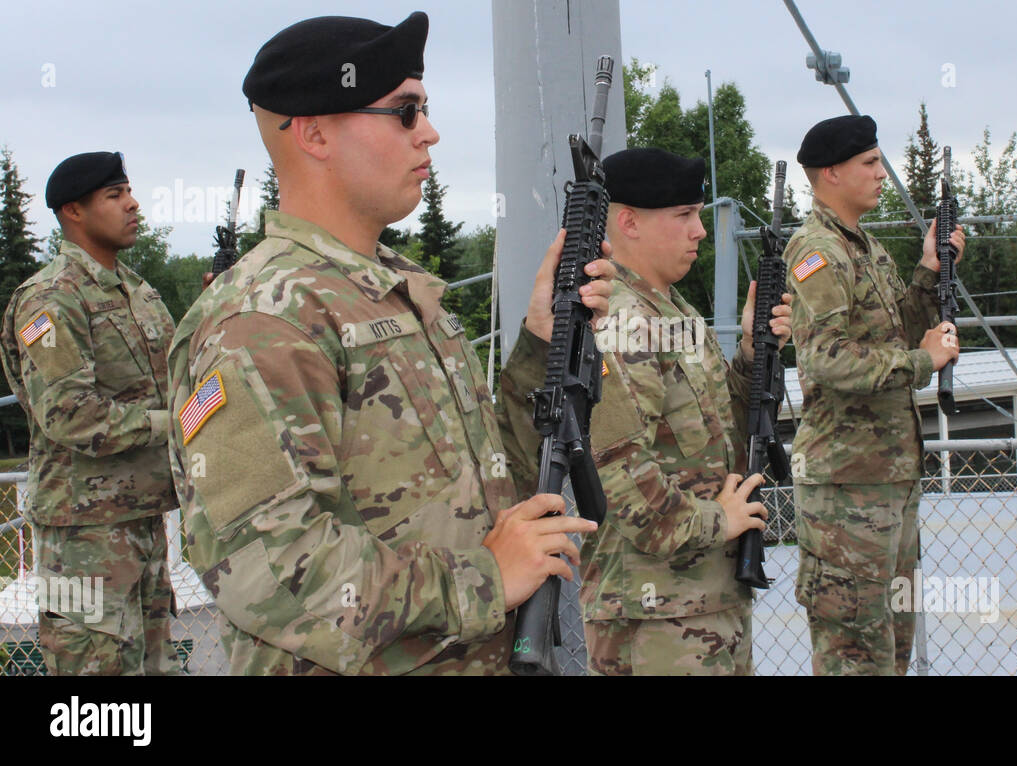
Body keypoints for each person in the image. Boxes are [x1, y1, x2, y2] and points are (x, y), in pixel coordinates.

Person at [167, 11, 612, 675]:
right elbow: (268, 567)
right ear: (315, 134)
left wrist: (541, 343)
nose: (429, 133)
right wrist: (485, 578)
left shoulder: (400, 292)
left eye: (425, 109)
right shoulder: (262, 320)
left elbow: (489, 484)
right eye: (405, 113)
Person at [542, 147, 790, 675]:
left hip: (700, 605)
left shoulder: (671, 311)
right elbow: (620, 477)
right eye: (684, 216)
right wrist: (715, 522)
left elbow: (724, 428)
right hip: (655, 621)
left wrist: (752, 352)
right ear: (628, 222)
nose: (699, 231)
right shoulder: (621, 322)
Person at [783, 115, 963, 675]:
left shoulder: (865, 248)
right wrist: (921, 361)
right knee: (855, 652)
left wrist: (931, 269)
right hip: (847, 487)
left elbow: (896, 330)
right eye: (870, 163)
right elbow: (825, 357)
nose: (882, 174)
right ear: (831, 173)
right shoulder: (817, 252)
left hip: (885, 478)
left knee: (890, 647)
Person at [0, 151, 180, 675]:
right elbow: (68, 414)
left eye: (129, 191)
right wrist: (174, 423)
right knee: (89, 686)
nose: (133, 204)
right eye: (115, 195)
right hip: (82, 533)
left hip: (139, 519)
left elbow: (173, 371)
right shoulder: (51, 299)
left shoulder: (136, 291)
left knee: (154, 668)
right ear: (73, 211)